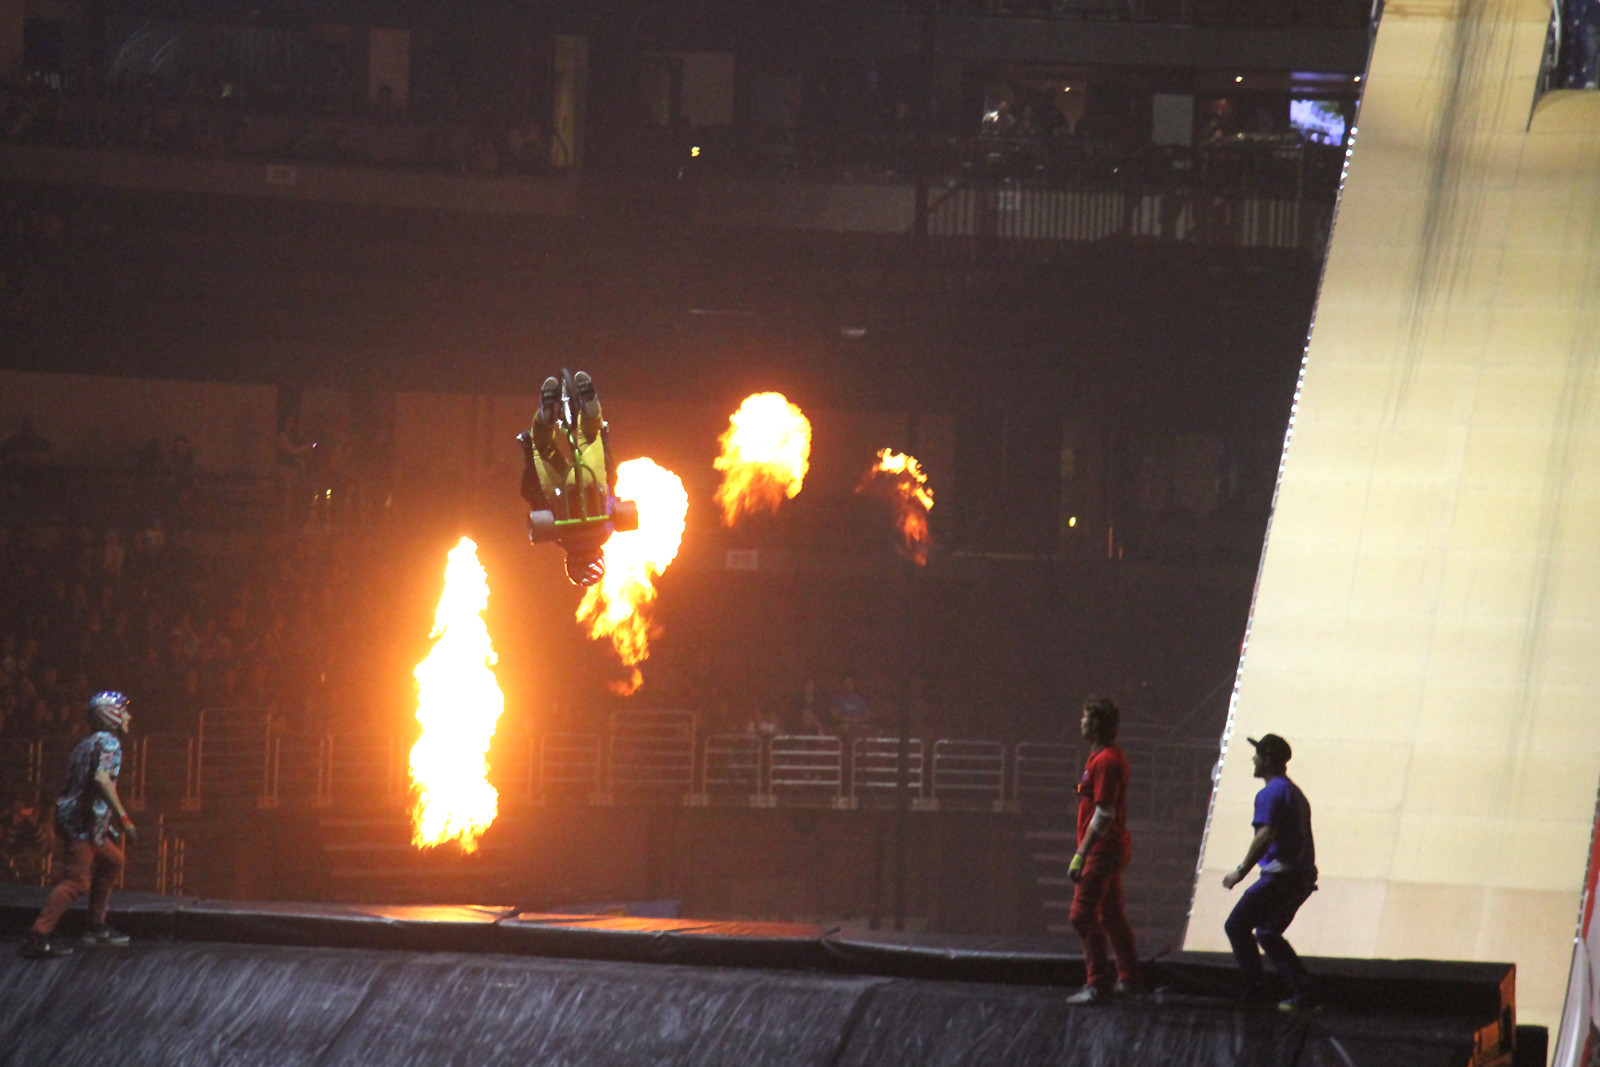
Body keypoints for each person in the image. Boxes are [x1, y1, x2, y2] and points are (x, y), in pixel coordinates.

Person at [20, 691, 138, 958]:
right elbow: (101, 780)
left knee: (113, 861)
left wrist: (103, 822)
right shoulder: (110, 743)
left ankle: (96, 925)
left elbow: (78, 784)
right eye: (123, 710)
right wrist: (124, 819)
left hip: (85, 821)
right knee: (76, 881)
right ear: (110, 714)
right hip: (81, 824)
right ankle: (38, 936)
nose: (128, 716)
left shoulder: (85, 744)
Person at [1221, 732, 1319, 1010]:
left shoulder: (1270, 793)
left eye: (1257, 755)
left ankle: (1257, 990)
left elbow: (1264, 836)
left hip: (1282, 876)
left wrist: (1240, 872)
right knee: (1267, 932)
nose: (1253, 759)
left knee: (1237, 925)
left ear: (1266, 760)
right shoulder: (1293, 792)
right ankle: (1304, 992)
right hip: (1300, 877)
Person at [1066, 695, 1140, 1003]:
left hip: (1102, 850)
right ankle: (1130, 978)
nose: (1081, 722)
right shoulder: (1099, 759)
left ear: (1096, 724)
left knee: (1081, 915)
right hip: (1109, 848)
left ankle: (1098, 984)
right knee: (1111, 915)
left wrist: (1081, 853)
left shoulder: (1107, 762)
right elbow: (1089, 794)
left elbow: (1104, 812)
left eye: (1085, 718)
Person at [518, 370, 618, 586]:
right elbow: (536, 500)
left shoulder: (606, 530)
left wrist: (605, 440)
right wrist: (528, 450)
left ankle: (593, 418)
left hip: (592, 478)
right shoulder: (559, 536)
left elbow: (612, 496)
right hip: (560, 484)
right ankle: (544, 418)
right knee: (542, 449)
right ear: (569, 562)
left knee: (595, 446)